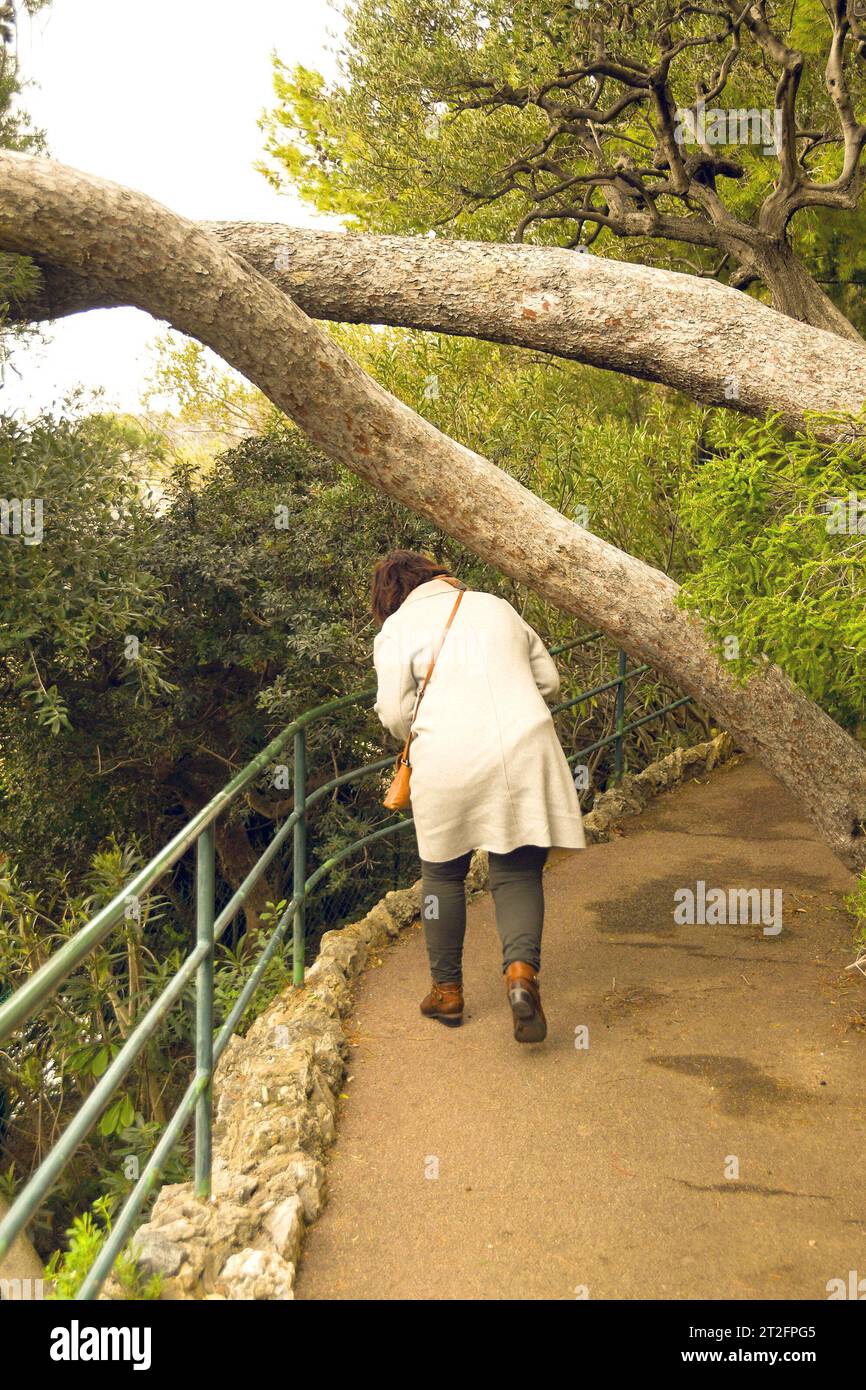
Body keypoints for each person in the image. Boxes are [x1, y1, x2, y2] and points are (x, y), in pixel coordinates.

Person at [371, 550, 585, 1042]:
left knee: (442, 873)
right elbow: (549, 681)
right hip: (524, 749)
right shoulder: (496, 605)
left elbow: (392, 713)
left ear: (389, 597)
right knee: (516, 869)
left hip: (448, 755)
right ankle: (519, 977)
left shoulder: (397, 629)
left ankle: (447, 993)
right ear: (436, 576)